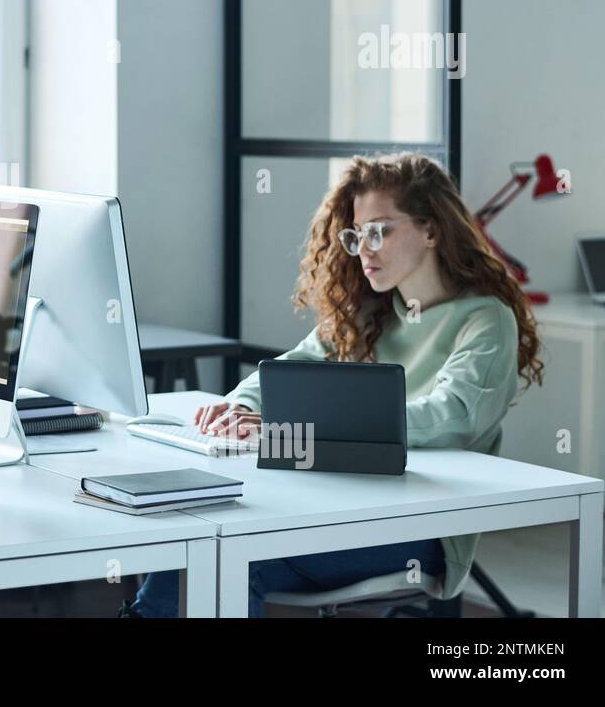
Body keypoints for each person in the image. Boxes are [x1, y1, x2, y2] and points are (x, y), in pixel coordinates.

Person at [126, 152, 543, 617]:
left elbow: (455, 416)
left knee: (228, 552)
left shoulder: (486, 319)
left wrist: (299, 425)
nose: (365, 248)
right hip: (336, 504)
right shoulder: (368, 312)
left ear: (431, 229)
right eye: (357, 235)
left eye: (380, 230)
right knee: (201, 545)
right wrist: (238, 405)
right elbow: (289, 368)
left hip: (421, 529)